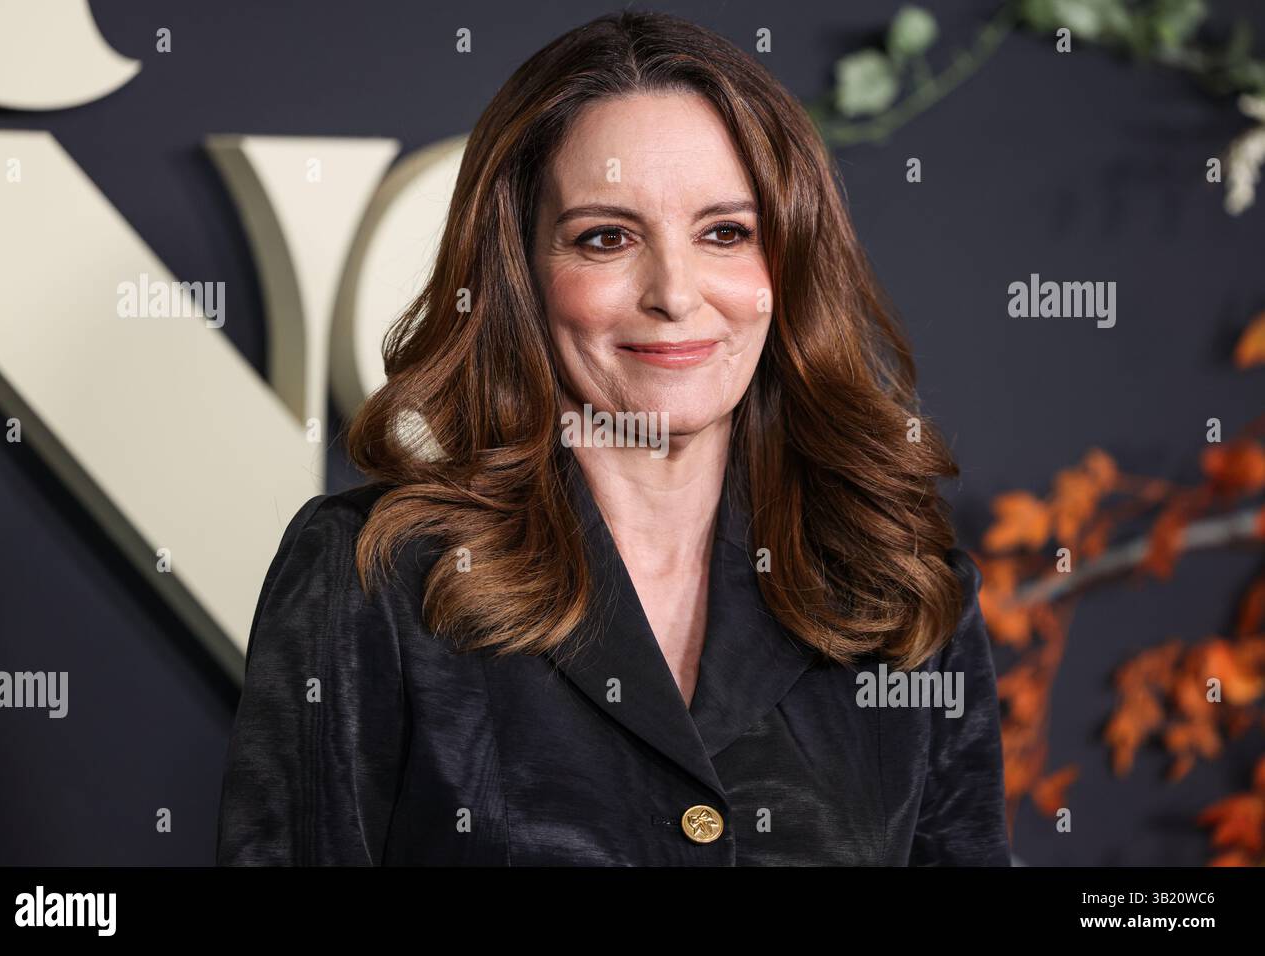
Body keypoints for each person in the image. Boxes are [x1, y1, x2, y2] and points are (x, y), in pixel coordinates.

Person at [216, 9, 1011, 866]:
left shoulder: (899, 590)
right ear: (520, 272)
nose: (674, 291)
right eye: (606, 237)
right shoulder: (370, 573)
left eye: (725, 233)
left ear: (788, 265)